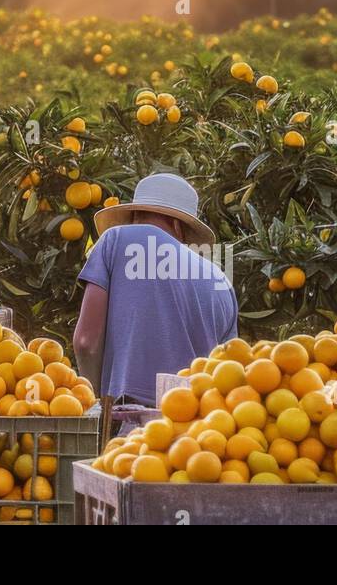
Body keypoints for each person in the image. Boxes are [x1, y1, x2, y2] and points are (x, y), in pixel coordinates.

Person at [72, 172, 237, 408]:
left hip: (128, 421)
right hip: (200, 428)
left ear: (136, 214)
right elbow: (227, 370)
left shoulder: (118, 239)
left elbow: (86, 342)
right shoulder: (221, 280)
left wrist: (94, 399)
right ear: (181, 228)